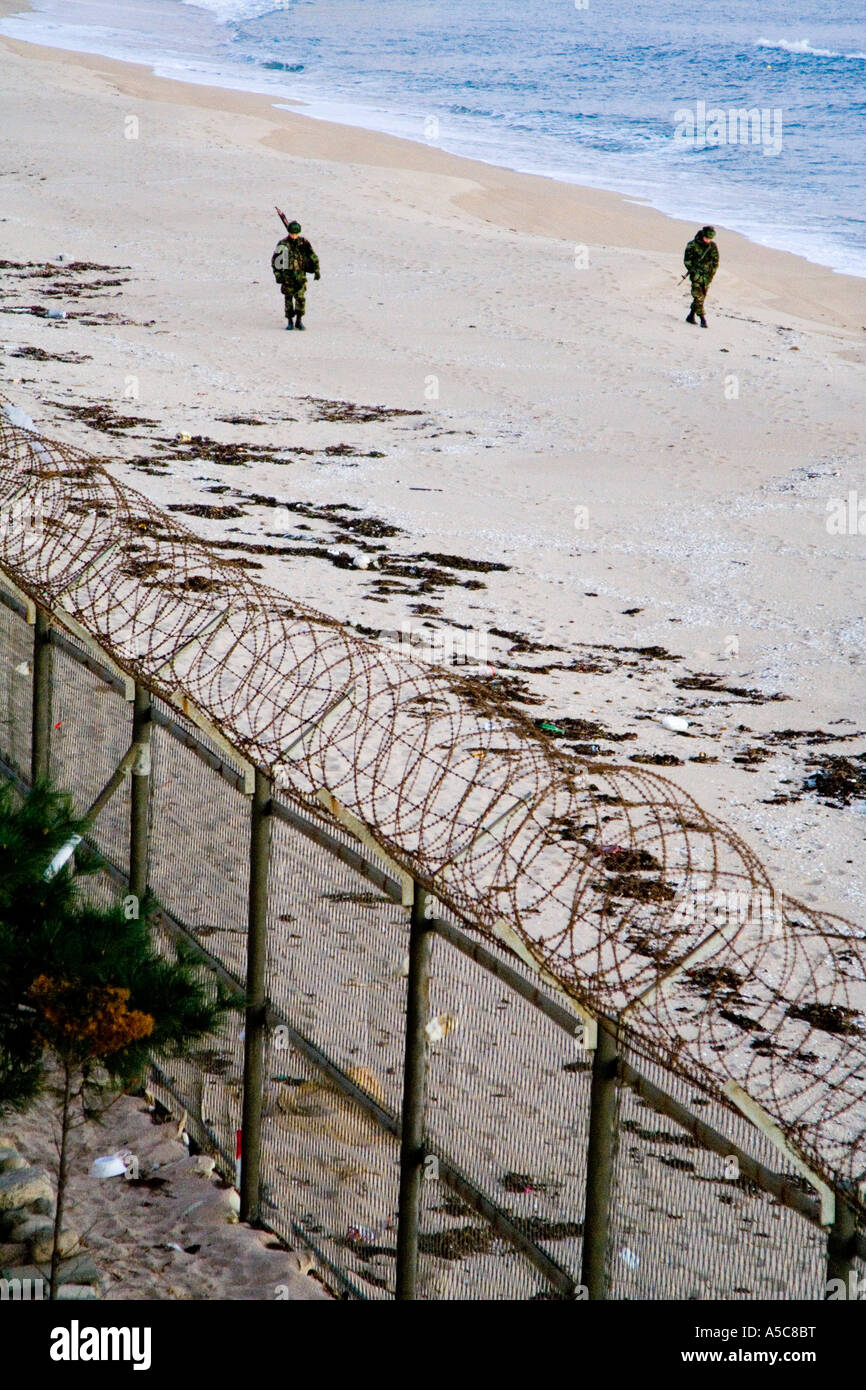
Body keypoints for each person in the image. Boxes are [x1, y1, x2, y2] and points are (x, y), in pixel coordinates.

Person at [271, 220, 320, 330]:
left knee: (300, 299)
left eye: (296, 234)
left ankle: (299, 320)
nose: (294, 236)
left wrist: (317, 270)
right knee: (288, 300)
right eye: (292, 233)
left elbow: (313, 256)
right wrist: (278, 276)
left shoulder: (303, 243)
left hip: (300, 277)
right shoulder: (283, 244)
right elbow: (275, 261)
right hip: (287, 277)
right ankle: (290, 321)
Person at [683, 226, 718, 328]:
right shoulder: (692, 245)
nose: (708, 240)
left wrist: (711, 275)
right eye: (706, 238)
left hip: (707, 276)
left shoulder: (712, 246)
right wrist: (695, 273)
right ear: (703, 235)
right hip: (696, 275)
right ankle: (703, 319)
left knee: (702, 297)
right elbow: (687, 261)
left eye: (710, 239)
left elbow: (715, 262)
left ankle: (691, 315)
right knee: (698, 296)